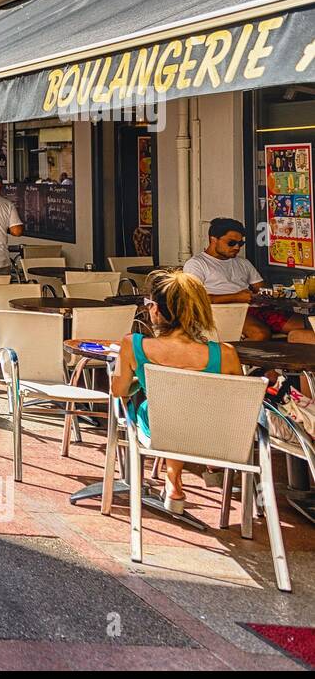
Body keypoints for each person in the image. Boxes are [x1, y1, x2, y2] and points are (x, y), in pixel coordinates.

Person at [111, 270, 244, 515]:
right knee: (187, 413)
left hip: (159, 430)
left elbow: (118, 390)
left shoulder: (133, 344)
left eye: (149, 304)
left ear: (157, 310)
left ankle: (173, 482)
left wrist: (140, 377)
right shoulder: (225, 354)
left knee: (165, 413)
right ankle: (178, 479)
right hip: (214, 438)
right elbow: (236, 404)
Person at [184, 217, 315, 344]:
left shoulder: (243, 263)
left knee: (305, 324)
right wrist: (236, 297)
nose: (237, 247)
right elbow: (195, 299)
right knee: (261, 334)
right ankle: (236, 362)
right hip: (223, 312)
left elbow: (261, 288)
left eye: (240, 243)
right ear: (213, 240)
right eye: (231, 243)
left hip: (256, 308)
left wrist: (282, 293)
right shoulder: (196, 264)